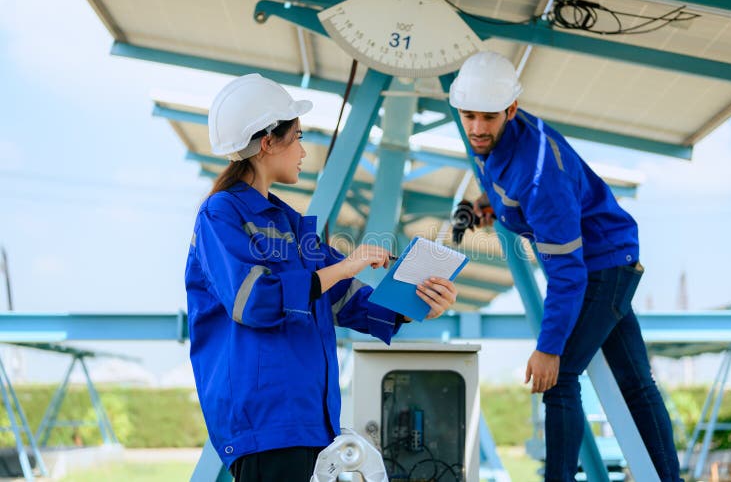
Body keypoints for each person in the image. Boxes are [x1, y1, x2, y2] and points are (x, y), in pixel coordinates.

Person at [185, 73, 458, 481]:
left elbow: (347, 300)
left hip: (311, 425)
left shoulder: (292, 226)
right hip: (267, 425)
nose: (303, 151)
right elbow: (253, 301)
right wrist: (346, 264)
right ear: (266, 142)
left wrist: (417, 302)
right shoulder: (220, 214)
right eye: (296, 137)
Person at [449, 52, 682, 481]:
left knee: (557, 380)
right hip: (605, 259)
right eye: (468, 116)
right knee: (636, 383)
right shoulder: (497, 138)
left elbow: (568, 273)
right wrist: (488, 206)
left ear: (511, 110)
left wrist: (549, 348)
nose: (477, 128)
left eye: (487, 118)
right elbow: (503, 183)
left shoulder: (542, 178)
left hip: (602, 267)